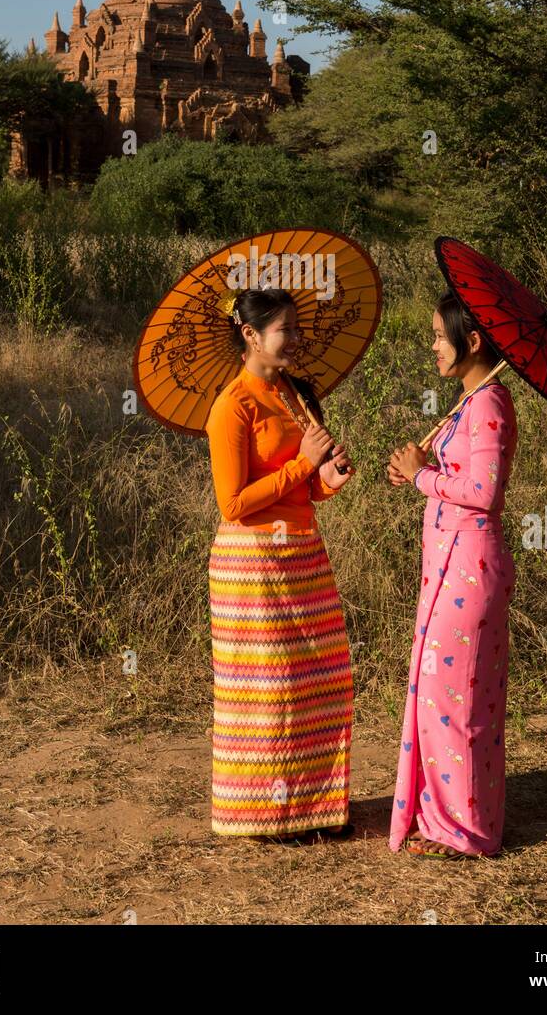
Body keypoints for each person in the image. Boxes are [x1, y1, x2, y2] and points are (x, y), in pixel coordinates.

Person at [204, 286, 355, 840]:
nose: (296, 339)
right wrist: (301, 466)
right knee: (265, 690)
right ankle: (261, 816)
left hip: (302, 554)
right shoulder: (232, 407)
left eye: (297, 328)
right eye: (285, 330)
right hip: (252, 566)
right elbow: (234, 503)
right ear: (250, 336)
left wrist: (328, 477)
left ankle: (314, 807)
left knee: (323, 678)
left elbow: (307, 492)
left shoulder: (296, 395)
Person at [386, 289, 518, 859]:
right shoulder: (469, 402)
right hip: (448, 566)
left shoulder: (488, 404)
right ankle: (447, 816)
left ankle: (463, 829)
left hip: (468, 568)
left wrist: (422, 478)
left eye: (441, 336)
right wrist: (427, 466)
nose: (433, 346)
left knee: (457, 698)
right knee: (446, 692)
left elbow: (485, 494)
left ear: (472, 341)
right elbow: (463, 474)